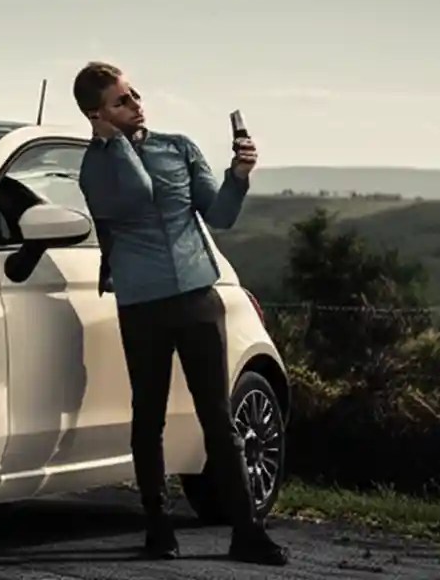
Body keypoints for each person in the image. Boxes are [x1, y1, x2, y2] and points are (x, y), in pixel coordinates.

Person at [72, 61, 288, 566]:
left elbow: (220, 217)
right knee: (148, 416)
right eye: (121, 101)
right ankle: (157, 526)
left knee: (218, 415)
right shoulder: (94, 167)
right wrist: (116, 143)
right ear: (95, 114)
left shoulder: (179, 147)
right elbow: (138, 192)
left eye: (134, 94)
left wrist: (238, 176)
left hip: (197, 297)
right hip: (142, 303)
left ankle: (246, 531)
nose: (136, 103)